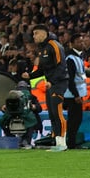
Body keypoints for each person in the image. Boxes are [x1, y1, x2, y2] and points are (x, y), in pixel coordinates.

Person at [25, 24, 68, 152]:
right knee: (52, 113)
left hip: (58, 83)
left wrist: (53, 81)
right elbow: (43, 70)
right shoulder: (42, 49)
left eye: (35, 33)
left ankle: (62, 143)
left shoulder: (54, 46)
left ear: (43, 33)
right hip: (50, 83)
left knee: (58, 113)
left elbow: (60, 66)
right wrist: (30, 76)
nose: (34, 36)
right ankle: (57, 142)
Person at [62, 38, 87, 149]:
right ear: (71, 44)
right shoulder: (70, 59)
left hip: (75, 94)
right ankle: (70, 143)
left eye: (82, 42)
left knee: (75, 119)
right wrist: (76, 95)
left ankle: (71, 142)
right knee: (74, 119)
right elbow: (70, 79)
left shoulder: (78, 57)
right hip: (72, 95)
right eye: (78, 42)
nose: (81, 44)